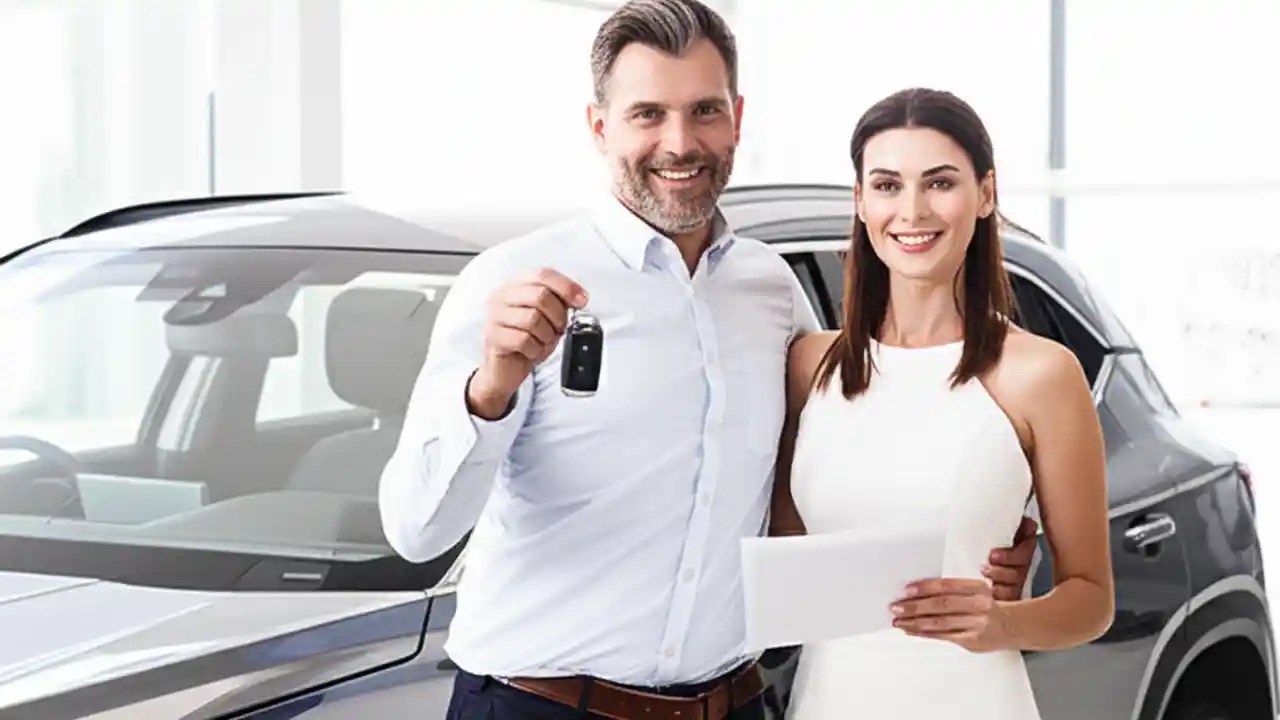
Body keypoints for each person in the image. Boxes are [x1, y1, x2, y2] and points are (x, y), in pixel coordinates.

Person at [379, 3, 1038, 718]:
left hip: (733, 704)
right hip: (539, 705)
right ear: (600, 128)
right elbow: (418, 531)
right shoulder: (515, 281)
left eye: (703, 111)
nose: (679, 142)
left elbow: (847, 467)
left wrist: (981, 537)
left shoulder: (771, 291)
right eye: (648, 115)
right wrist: (491, 386)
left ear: (738, 117)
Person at [768, 87, 1115, 719]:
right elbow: (780, 563)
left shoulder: (1038, 374)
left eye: (939, 182)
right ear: (860, 201)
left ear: (984, 195)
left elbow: (1091, 599)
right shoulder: (808, 368)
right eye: (887, 185)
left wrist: (1004, 622)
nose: (913, 210)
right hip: (829, 702)